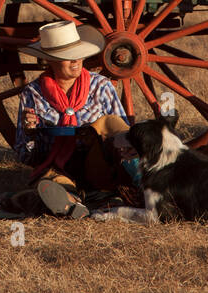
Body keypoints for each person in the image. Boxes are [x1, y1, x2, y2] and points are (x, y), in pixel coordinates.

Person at [12, 20, 132, 217]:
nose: (75, 61)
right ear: (49, 60)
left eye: (78, 54)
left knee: (109, 124)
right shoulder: (33, 94)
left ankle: (91, 196)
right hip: (59, 166)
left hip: (99, 163)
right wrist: (30, 134)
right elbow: (26, 157)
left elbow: (123, 136)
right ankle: (73, 200)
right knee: (54, 182)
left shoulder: (101, 87)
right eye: (67, 57)